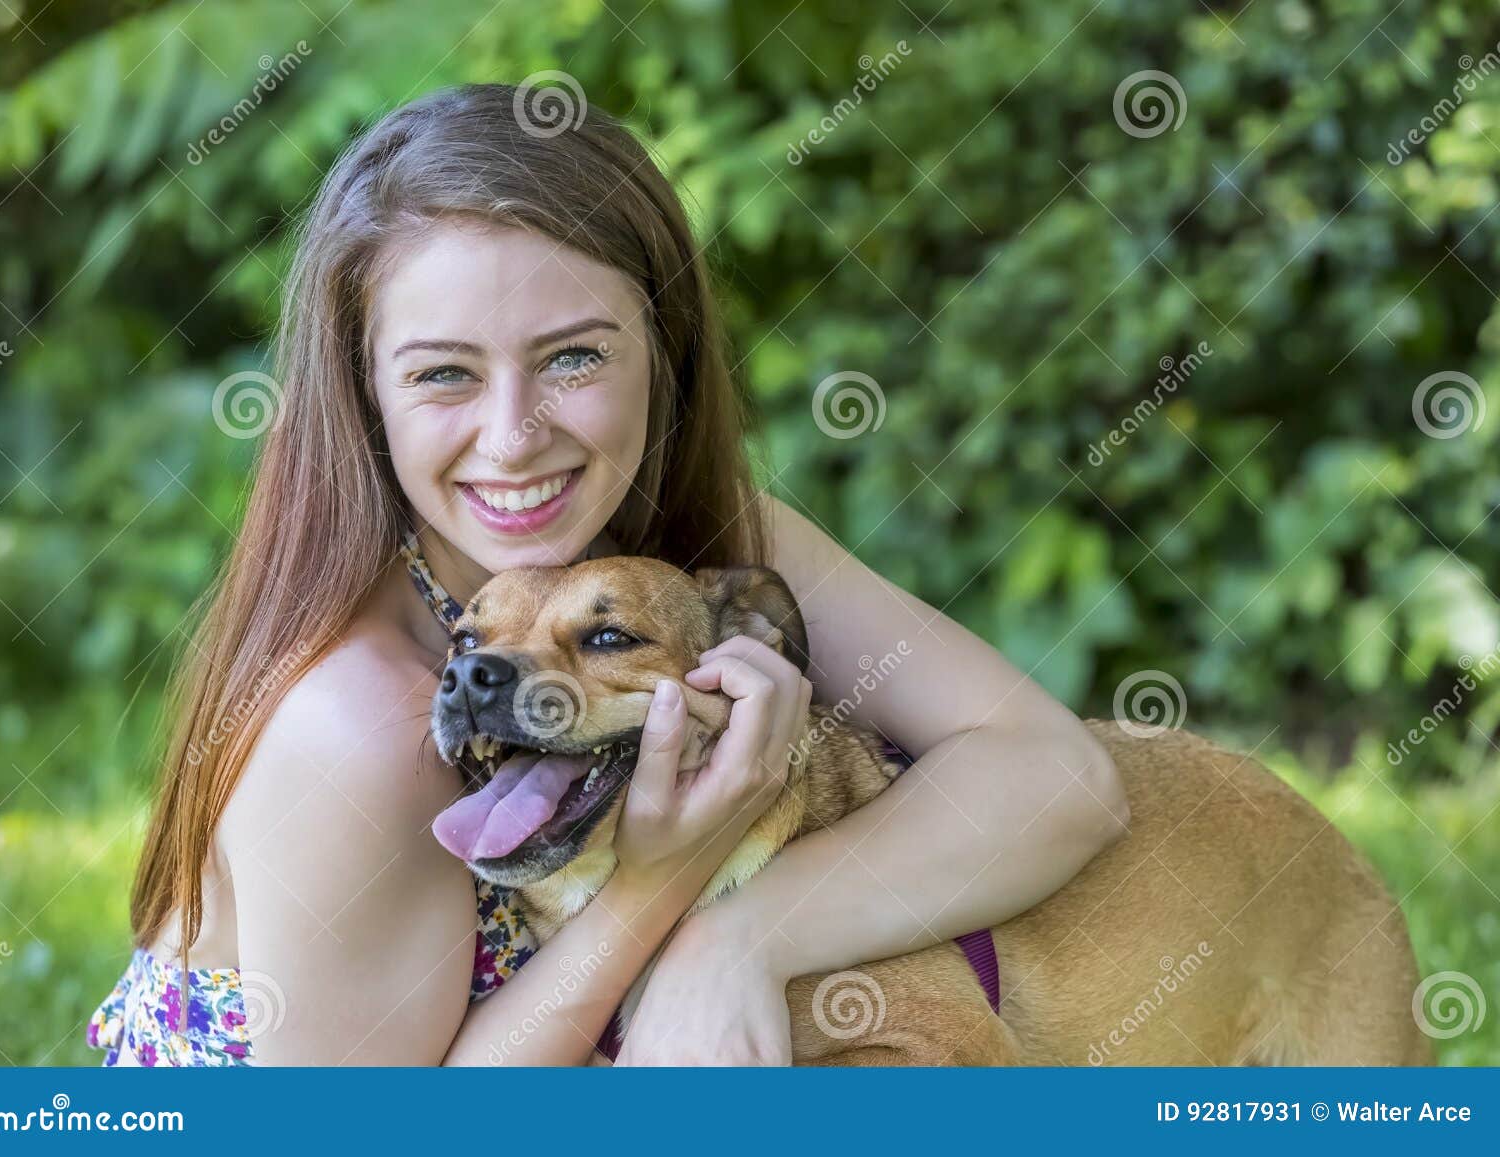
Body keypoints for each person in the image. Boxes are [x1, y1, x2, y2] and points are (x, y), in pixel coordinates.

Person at [87, 83, 1128, 1066]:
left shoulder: (707, 546)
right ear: (365, 400)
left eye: (573, 357)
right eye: (444, 372)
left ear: (663, 353)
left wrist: (737, 938)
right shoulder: (359, 727)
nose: (513, 438)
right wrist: (655, 895)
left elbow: (1057, 778)